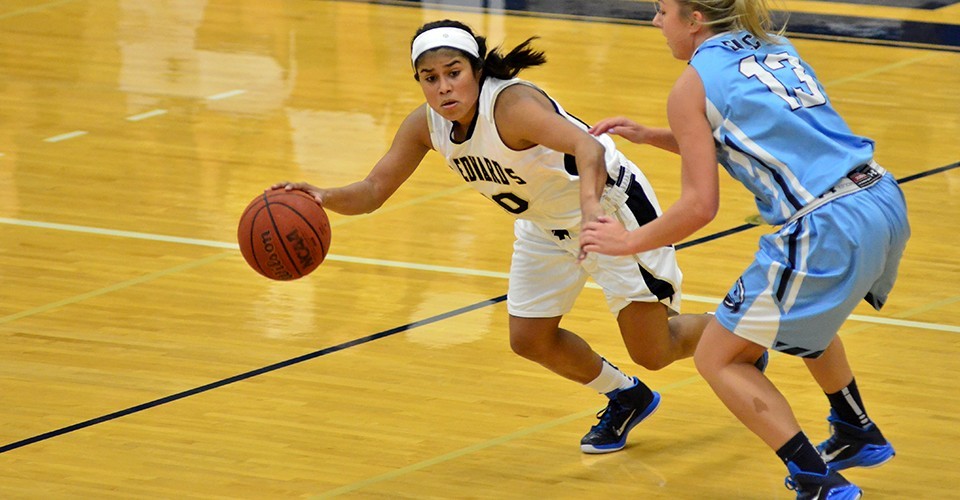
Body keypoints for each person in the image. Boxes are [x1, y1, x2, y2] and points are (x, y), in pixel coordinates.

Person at [273, 19, 723, 454]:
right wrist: (321, 197)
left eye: (453, 73)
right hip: (545, 224)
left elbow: (588, 146)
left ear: (477, 70)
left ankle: (737, 335)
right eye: (430, 78)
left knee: (654, 351)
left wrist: (589, 208)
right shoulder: (425, 125)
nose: (443, 87)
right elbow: (373, 191)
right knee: (530, 338)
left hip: (609, 210)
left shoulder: (511, 107)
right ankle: (627, 396)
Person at [581, 0, 908, 497]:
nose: (655, 21)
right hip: (879, 195)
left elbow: (699, 207)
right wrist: (652, 136)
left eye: (662, 10)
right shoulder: (773, 44)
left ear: (694, 19)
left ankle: (816, 480)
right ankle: (854, 427)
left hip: (827, 221)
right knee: (804, 315)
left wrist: (627, 241)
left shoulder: (691, 85)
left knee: (719, 357)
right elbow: (756, 134)